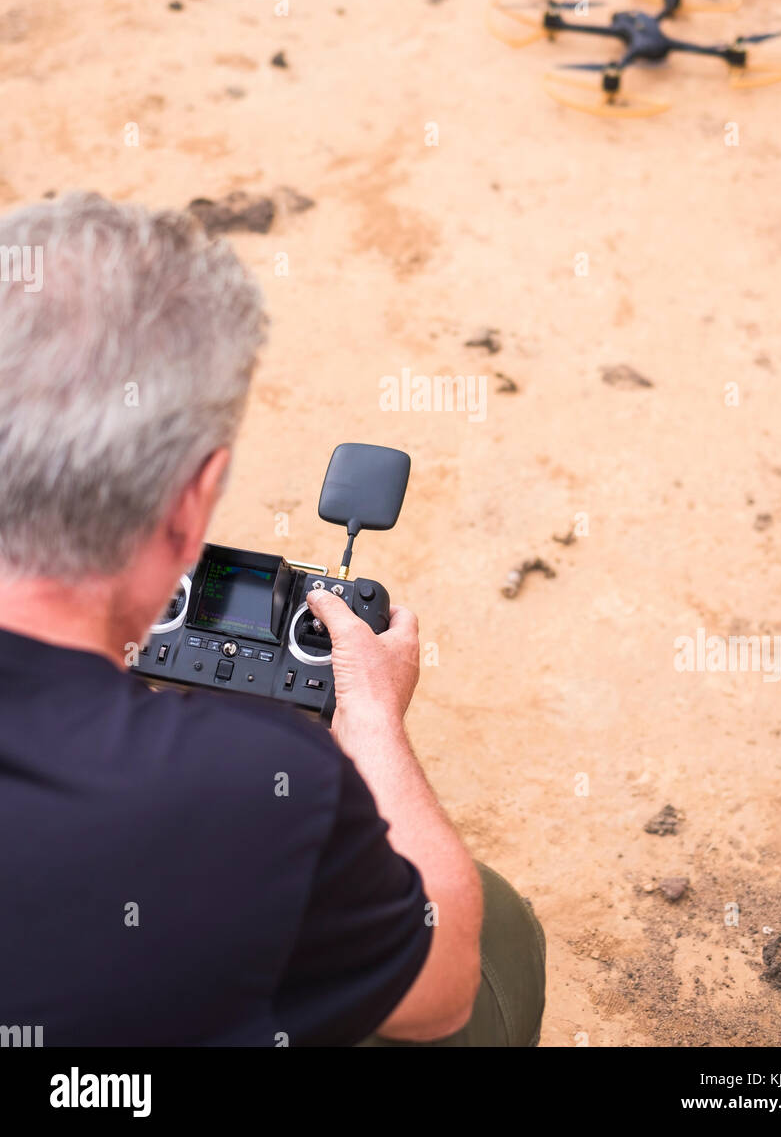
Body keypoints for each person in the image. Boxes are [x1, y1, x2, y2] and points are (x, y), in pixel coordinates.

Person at [0, 193, 545, 1047]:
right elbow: (441, 993)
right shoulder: (259, 783)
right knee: (495, 924)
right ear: (191, 504)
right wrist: (371, 721)